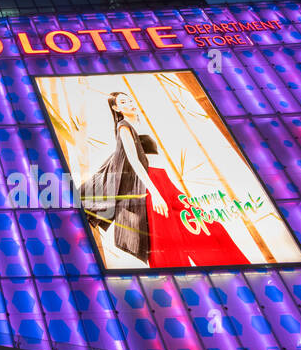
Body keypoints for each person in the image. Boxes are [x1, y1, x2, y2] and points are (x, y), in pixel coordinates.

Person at [81, 91, 245, 268]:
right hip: (150, 182)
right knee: (165, 236)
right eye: (123, 101)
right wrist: (155, 193)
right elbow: (134, 161)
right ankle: (176, 280)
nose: (129, 102)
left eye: (129, 99)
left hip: (163, 180)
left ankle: (229, 264)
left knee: (201, 222)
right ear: (116, 108)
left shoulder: (139, 123)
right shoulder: (124, 126)